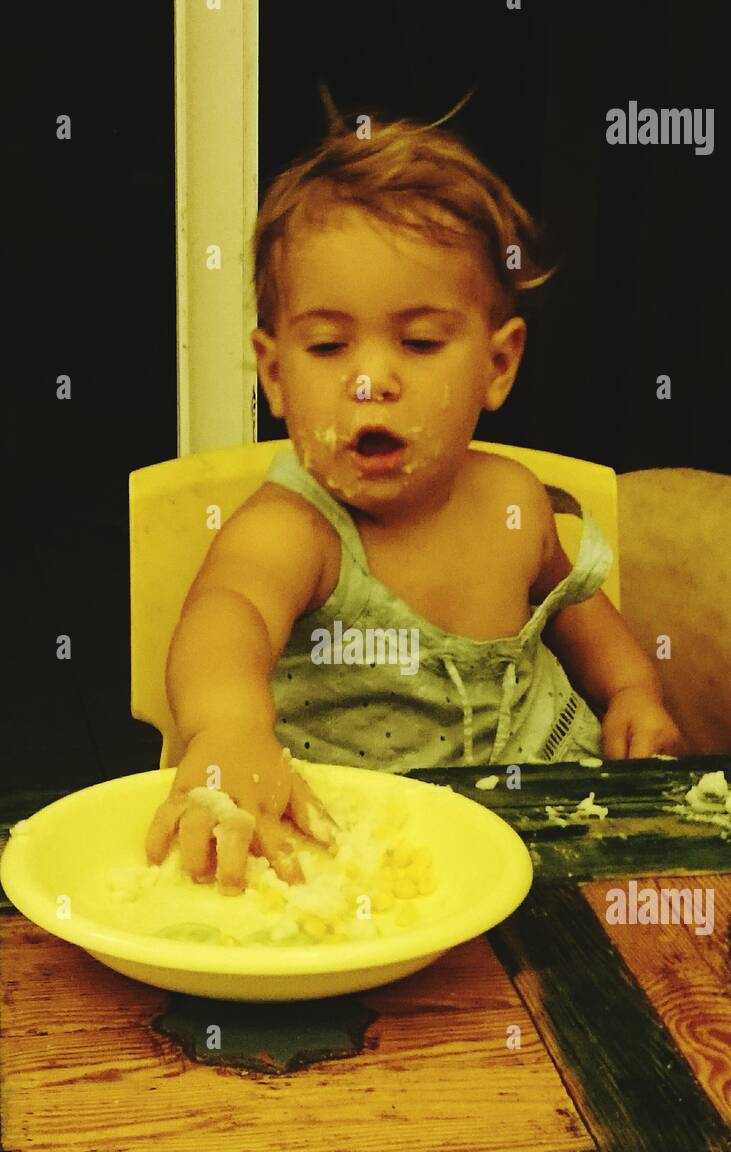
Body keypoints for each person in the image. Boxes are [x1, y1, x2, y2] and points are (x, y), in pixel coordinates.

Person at [146, 111, 685, 894]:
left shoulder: (514, 502)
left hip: (552, 822)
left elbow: (577, 607)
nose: (370, 382)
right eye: (328, 347)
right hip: (366, 857)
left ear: (497, 365)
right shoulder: (296, 531)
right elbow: (227, 618)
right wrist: (229, 728)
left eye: (421, 343)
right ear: (274, 374)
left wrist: (633, 691)